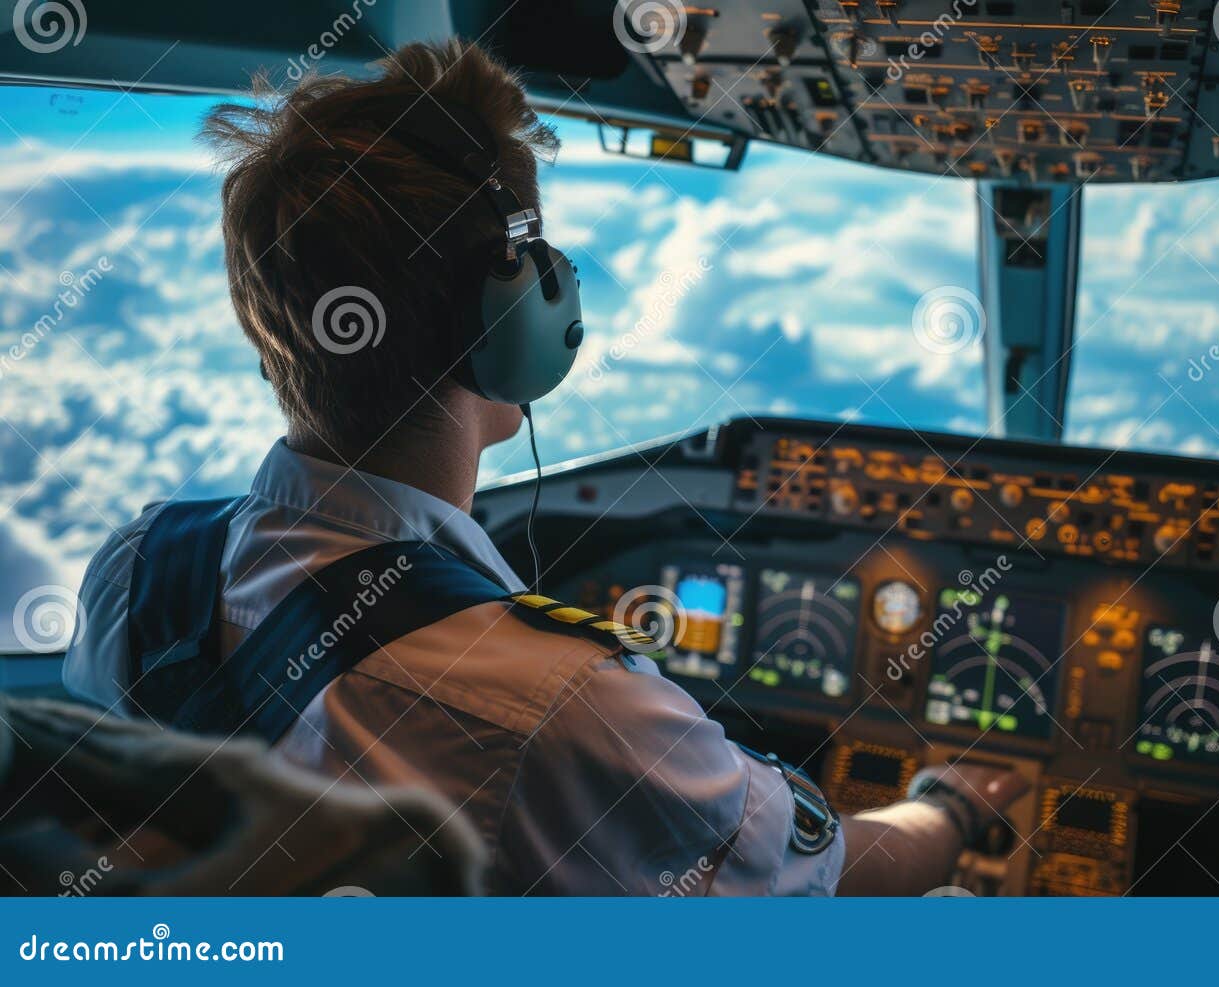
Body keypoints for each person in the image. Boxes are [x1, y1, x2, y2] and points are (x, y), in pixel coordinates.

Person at [62, 38, 1028, 895]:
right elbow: (820, 881)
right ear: (519, 325)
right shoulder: (561, 706)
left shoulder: (138, 567)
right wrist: (949, 807)